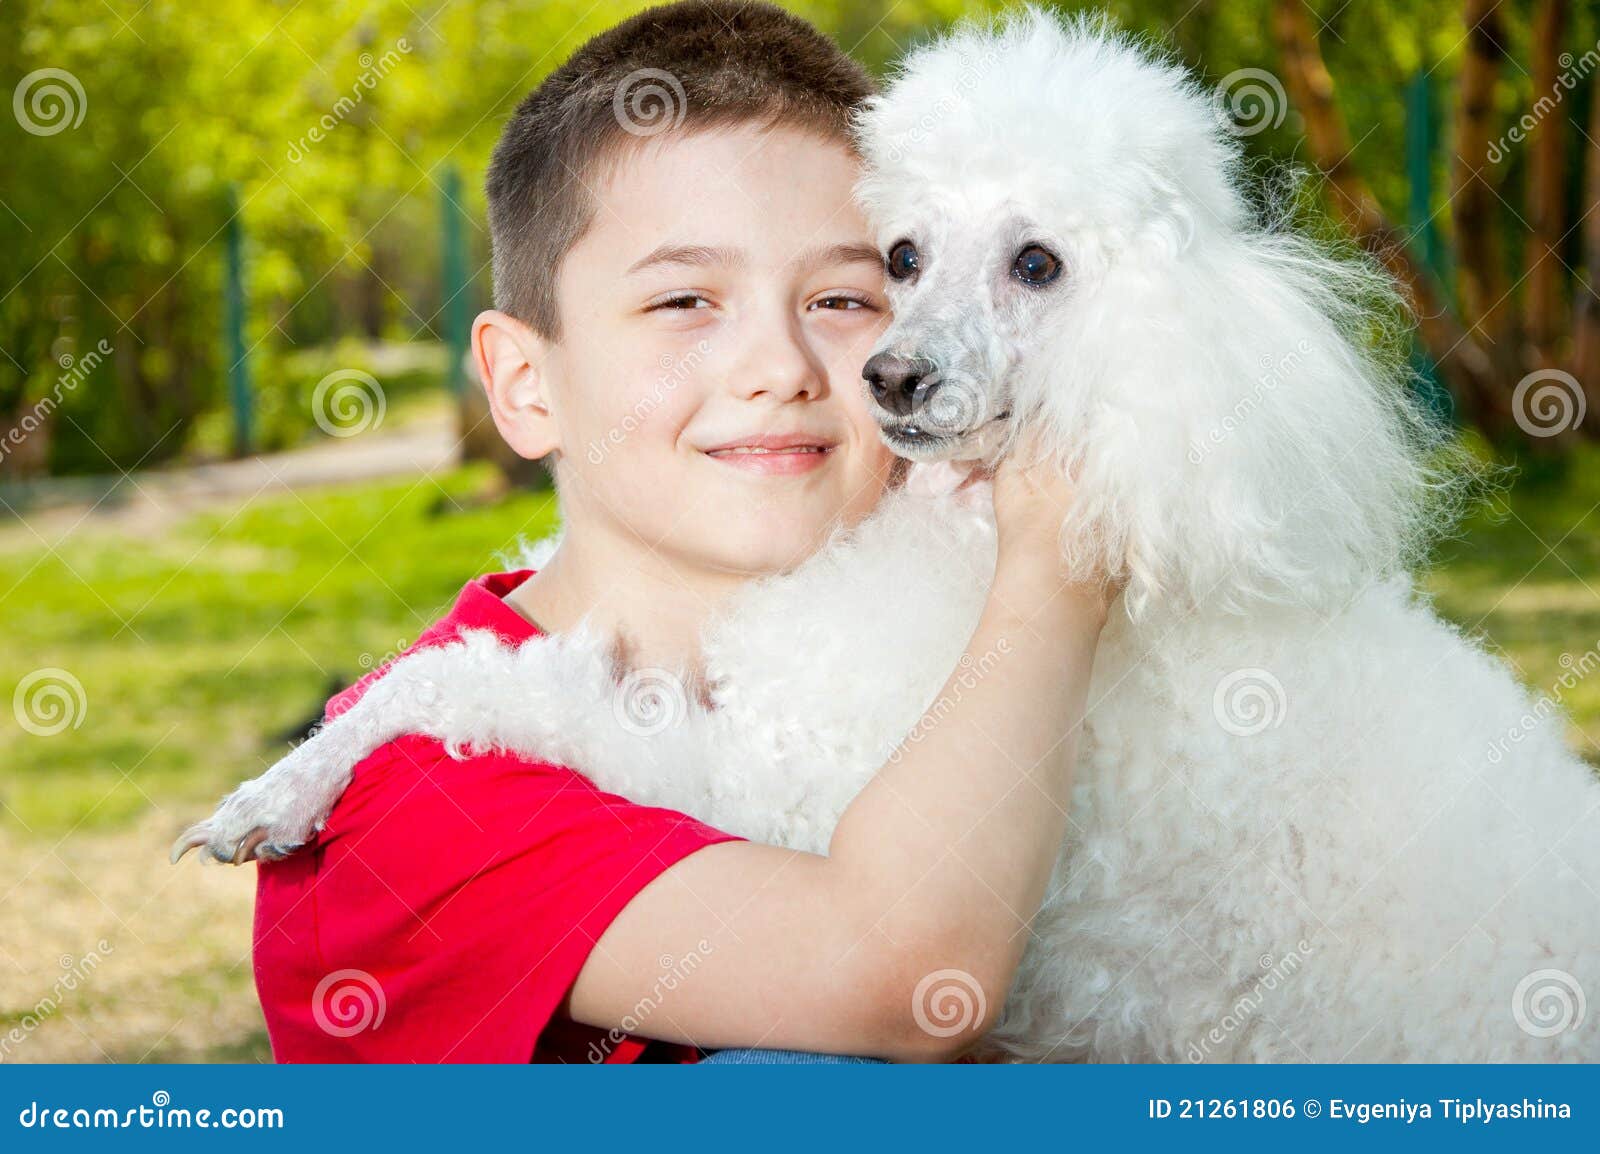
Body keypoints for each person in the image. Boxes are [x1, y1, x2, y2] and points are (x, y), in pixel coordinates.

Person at [249, 0, 1116, 1063]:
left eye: (846, 297)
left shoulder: (951, 667)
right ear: (526, 385)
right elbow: (904, 974)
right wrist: (1061, 562)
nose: (782, 365)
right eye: (684, 302)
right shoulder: (416, 791)